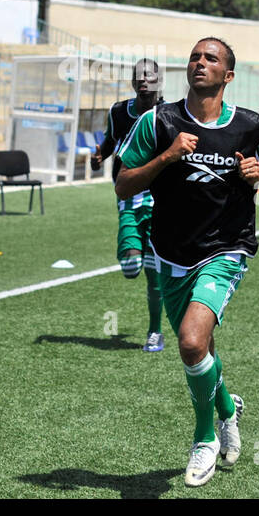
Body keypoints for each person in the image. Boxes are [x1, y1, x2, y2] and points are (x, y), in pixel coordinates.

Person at [116, 37, 259, 488]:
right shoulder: (160, 121)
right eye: (194, 56)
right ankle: (228, 410)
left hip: (227, 247)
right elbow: (123, 184)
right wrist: (168, 157)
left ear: (228, 76)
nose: (200, 63)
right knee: (200, 350)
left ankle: (204, 438)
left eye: (211, 59)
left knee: (191, 342)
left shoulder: (249, 125)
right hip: (170, 252)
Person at [91, 59, 166, 352]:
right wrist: (101, 155)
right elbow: (110, 141)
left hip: (160, 198)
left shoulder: (168, 114)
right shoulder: (119, 111)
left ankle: (155, 332)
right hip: (128, 194)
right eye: (138, 76)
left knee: (153, 271)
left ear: (159, 81)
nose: (143, 80)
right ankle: (129, 243)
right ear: (132, 82)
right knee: (132, 266)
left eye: (149, 76)